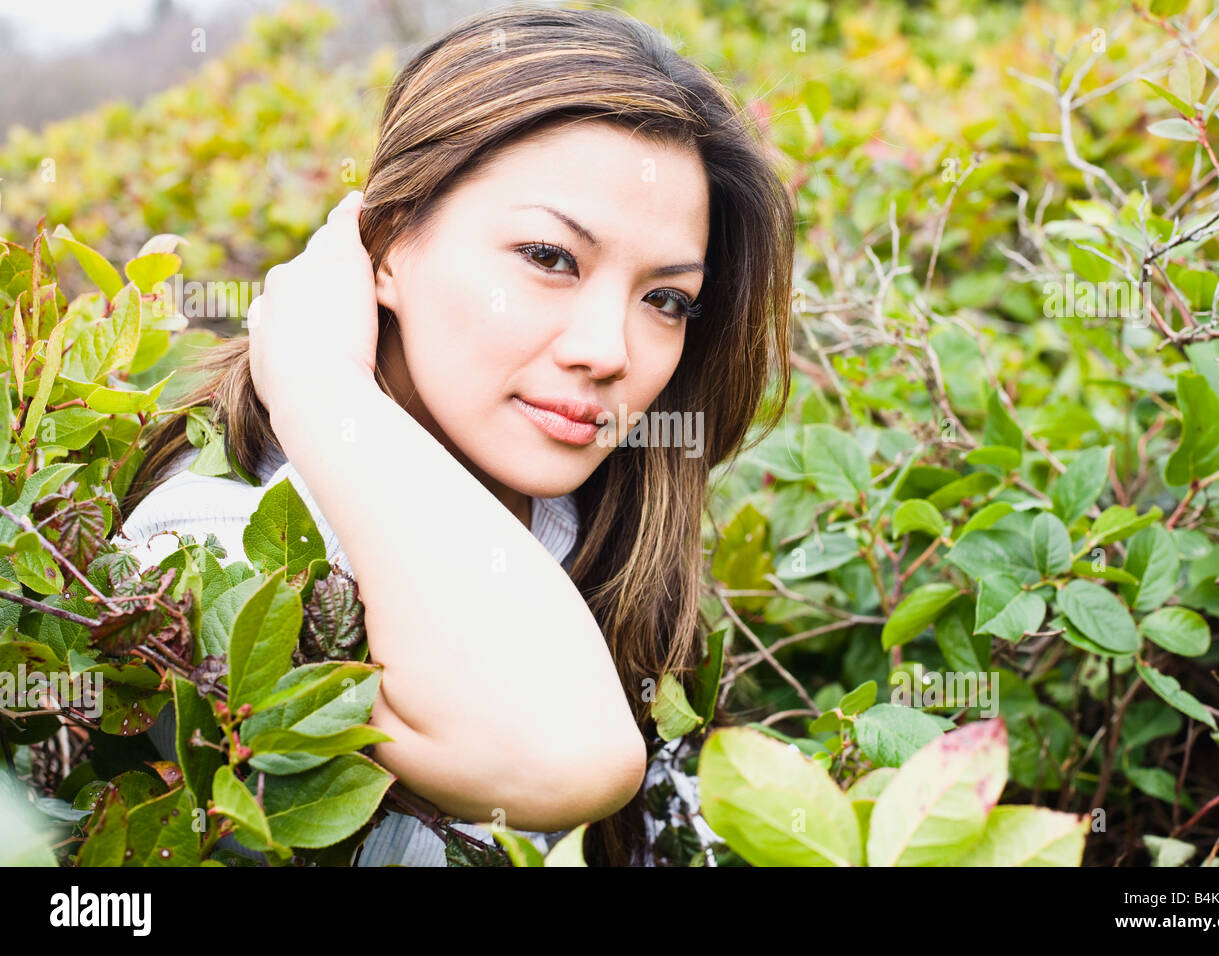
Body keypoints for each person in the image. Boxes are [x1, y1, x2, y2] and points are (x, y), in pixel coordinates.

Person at [115, 2, 794, 866]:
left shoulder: (595, 532)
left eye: (666, 299)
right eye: (549, 258)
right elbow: (569, 754)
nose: (607, 351)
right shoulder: (210, 552)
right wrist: (325, 392)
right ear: (390, 240)